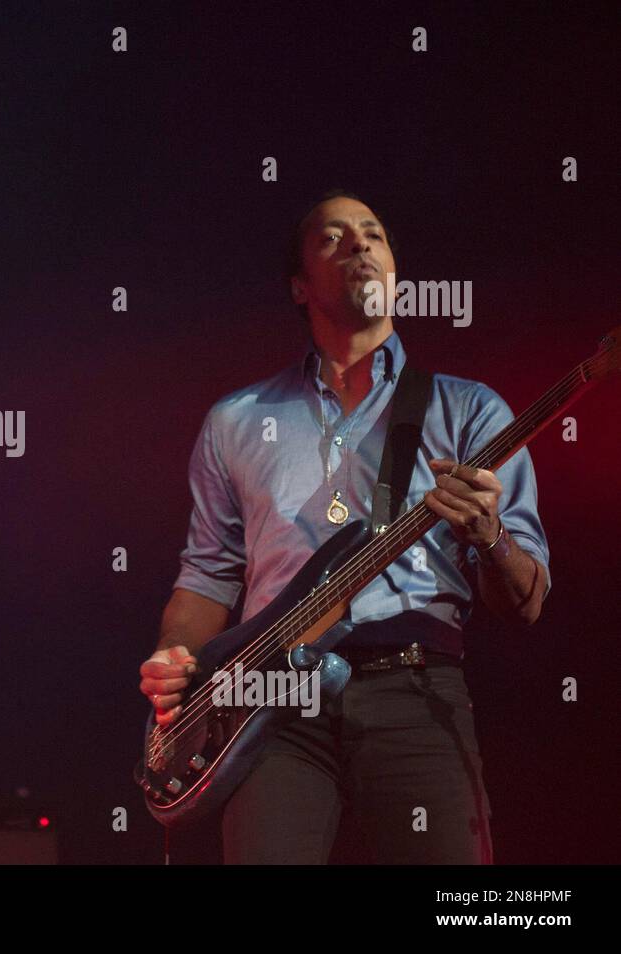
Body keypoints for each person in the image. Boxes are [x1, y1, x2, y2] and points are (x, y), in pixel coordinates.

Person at [138, 191, 550, 864]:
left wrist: (489, 536)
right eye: (334, 237)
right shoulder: (237, 420)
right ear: (300, 287)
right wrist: (174, 655)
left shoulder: (469, 410)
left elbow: (527, 597)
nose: (360, 244)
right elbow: (208, 578)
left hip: (415, 690)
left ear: (395, 273)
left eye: (374, 234)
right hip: (271, 705)